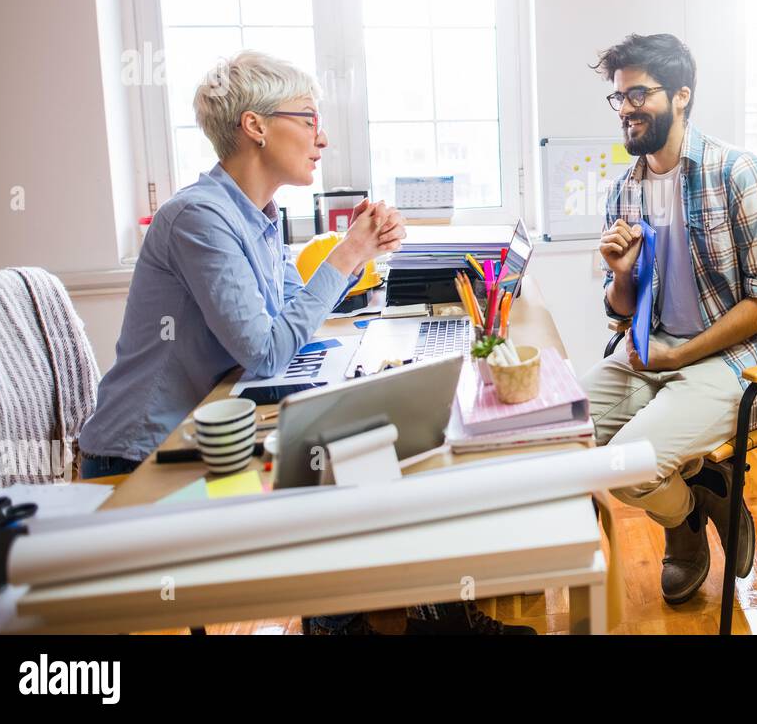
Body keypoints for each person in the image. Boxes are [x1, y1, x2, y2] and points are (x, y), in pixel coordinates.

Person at [77, 52, 531, 635]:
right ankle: (354, 625)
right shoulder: (197, 218)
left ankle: (418, 619)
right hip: (149, 465)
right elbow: (266, 350)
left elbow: (298, 315)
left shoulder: (259, 215)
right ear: (256, 126)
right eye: (310, 118)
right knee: (346, 466)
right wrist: (349, 251)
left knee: (374, 444)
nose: (323, 137)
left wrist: (361, 252)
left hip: (209, 434)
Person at [584, 32, 757, 605]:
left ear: (681, 95)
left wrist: (678, 354)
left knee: (626, 468)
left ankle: (687, 519)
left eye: (639, 94)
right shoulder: (624, 190)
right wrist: (622, 276)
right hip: (652, 350)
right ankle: (696, 500)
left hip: (737, 360)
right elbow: (619, 309)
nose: (626, 108)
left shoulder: (737, 173)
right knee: (563, 437)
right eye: (619, 96)